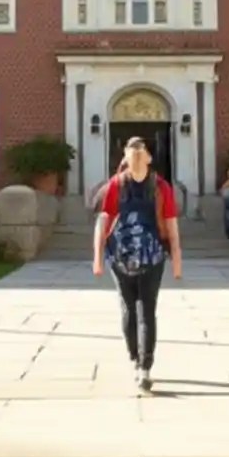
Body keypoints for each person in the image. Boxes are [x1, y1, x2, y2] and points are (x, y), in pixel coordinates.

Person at [92, 137, 182, 393]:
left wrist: (177, 260)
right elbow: (103, 222)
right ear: (126, 158)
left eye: (142, 151)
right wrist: (97, 257)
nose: (138, 156)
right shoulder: (116, 185)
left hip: (152, 258)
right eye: (133, 152)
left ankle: (145, 367)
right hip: (120, 259)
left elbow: (172, 226)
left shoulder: (161, 187)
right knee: (128, 311)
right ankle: (134, 356)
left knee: (147, 312)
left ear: (150, 158)